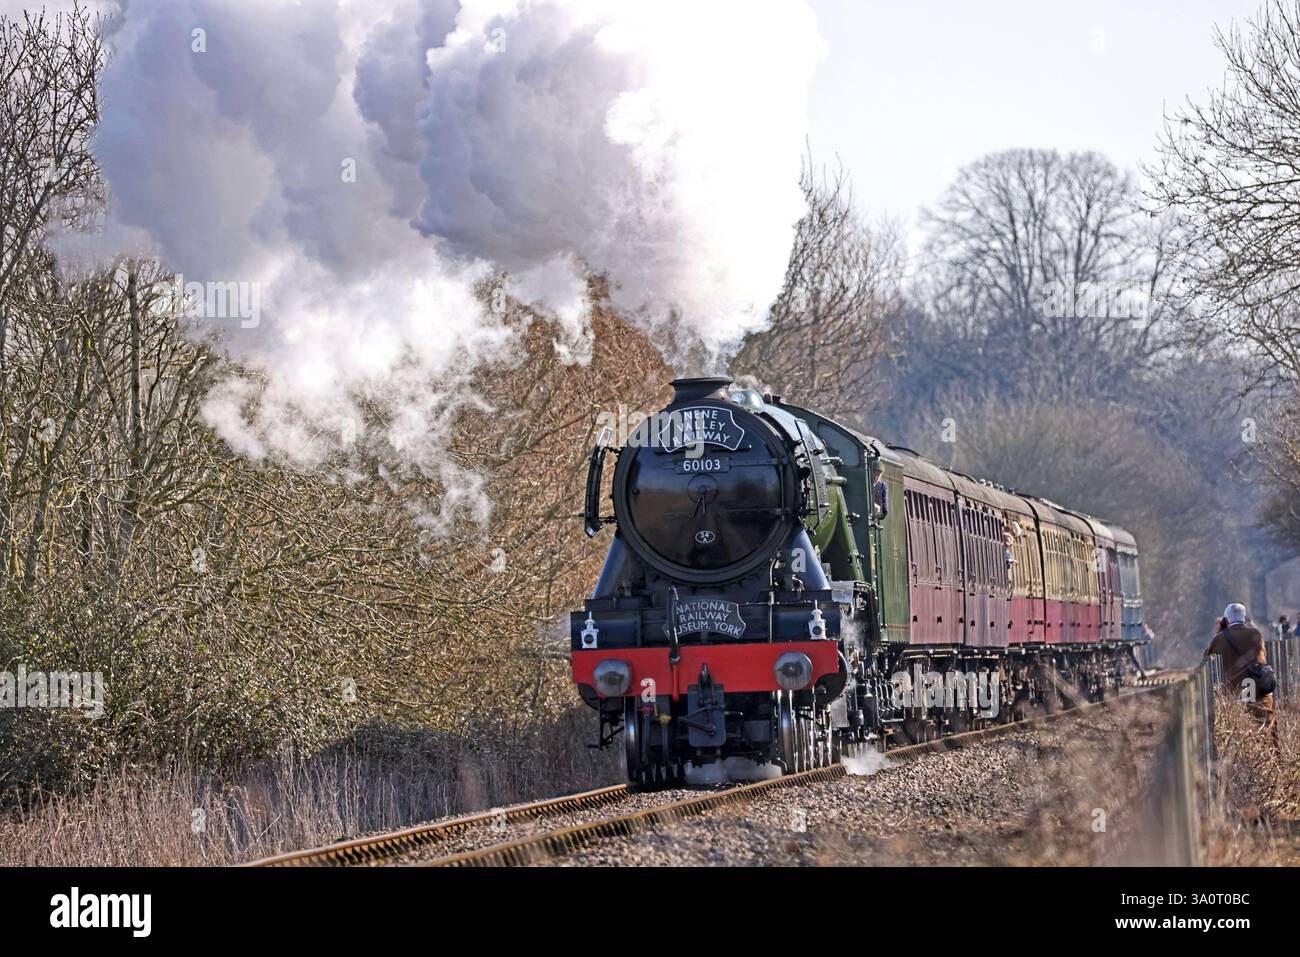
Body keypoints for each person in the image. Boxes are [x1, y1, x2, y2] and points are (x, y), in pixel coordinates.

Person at [1205, 603, 1277, 738]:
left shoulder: (1219, 638)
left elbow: (1206, 659)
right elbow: (1263, 657)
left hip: (1234, 695)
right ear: (1244, 618)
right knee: (1265, 732)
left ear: (1225, 620)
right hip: (1259, 692)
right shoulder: (1256, 634)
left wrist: (1219, 632)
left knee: (1239, 733)